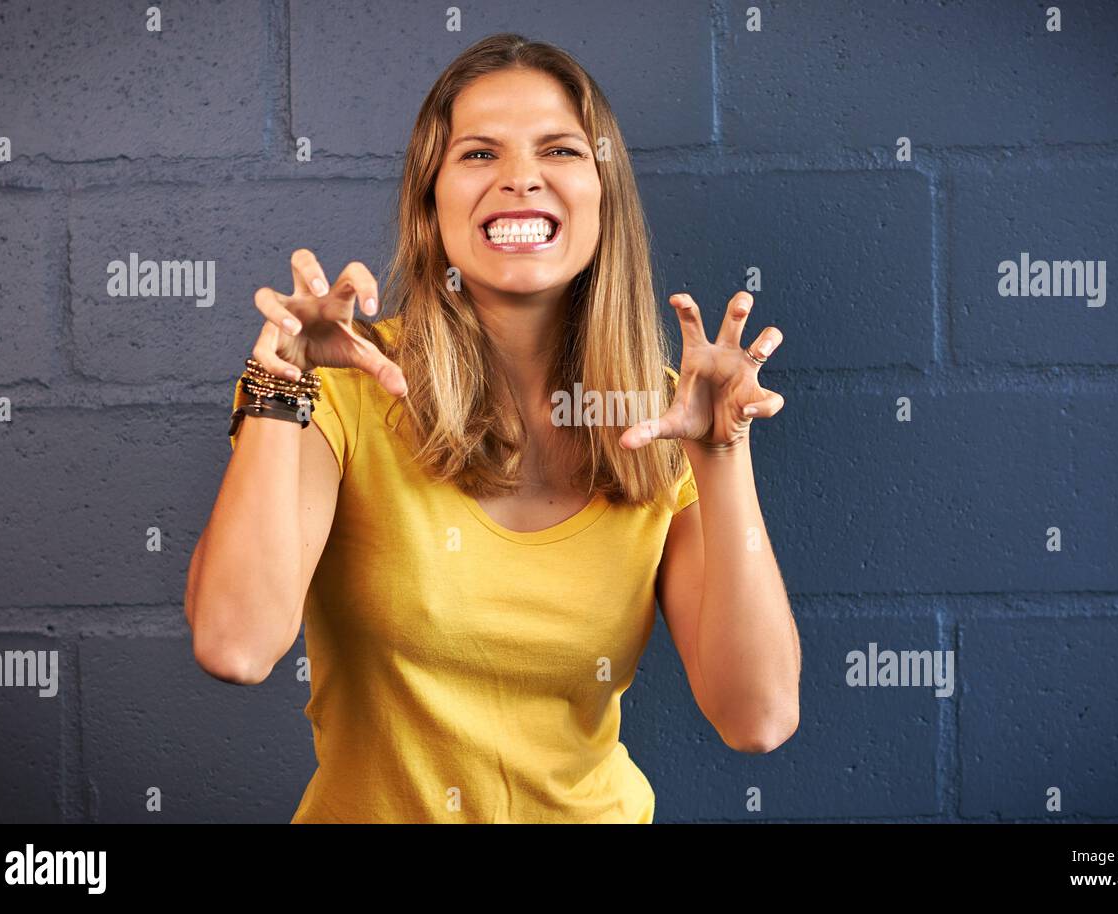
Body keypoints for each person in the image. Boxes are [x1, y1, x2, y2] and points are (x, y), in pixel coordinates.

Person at [184, 32, 799, 824]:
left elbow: (758, 717)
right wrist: (279, 383)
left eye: (559, 150)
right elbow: (234, 644)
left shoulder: (667, 416)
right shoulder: (337, 386)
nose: (519, 179)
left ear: (602, 194)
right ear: (430, 199)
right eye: (478, 155)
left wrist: (720, 454)